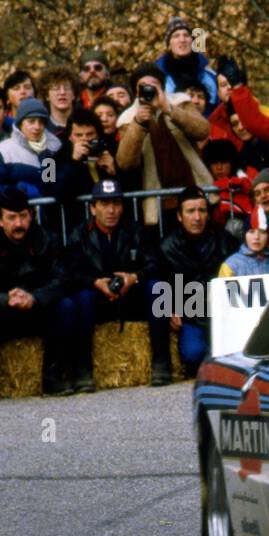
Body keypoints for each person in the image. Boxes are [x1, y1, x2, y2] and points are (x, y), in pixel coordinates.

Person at [55, 179, 162, 384]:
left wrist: (134, 277)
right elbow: (67, 272)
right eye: (104, 204)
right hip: (96, 298)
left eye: (115, 204)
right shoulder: (79, 235)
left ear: (122, 207)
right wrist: (94, 282)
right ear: (93, 208)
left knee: (157, 288)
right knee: (82, 299)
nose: (111, 210)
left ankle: (162, 365)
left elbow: (155, 263)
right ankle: (82, 371)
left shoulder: (135, 231)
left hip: (130, 295)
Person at [152, 185, 239, 372]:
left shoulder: (225, 240)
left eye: (202, 210)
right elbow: (160, 281)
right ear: (179, 216)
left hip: (222, 314)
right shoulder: (167, 247)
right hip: (192, 316)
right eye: (190, 211)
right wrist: (169, 308)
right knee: (192, 355)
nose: (197, 217)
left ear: (208, 214)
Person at [114, 63, 212, 228]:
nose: (148, 89)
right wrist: (137, 124)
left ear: (162, 86)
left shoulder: (181, 102)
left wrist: (169, 109)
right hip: (160, 200)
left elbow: (202, 130)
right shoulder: (128, 118)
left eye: (153, 85)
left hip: (196, 192)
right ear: (136, 91)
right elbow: (125, 162)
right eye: (143, 86)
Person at [0, 189, 76, 392]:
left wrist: (34, 298)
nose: (19, 224)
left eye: (23, 216)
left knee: (66, 306)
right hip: (5, 311)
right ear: (0, 220)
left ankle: (54, 377)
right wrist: (6, 298)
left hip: (37, 309)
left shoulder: (47, 239)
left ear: (31, 215)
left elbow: (63, 279)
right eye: (11, 218)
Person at [53, 108, 118, 232]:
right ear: (70, 137)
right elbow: (52, 192)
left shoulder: (111, 151)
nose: (85, 140)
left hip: (110, 226)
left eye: (89, 134)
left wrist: (114, 171)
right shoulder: (51, 159)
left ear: (98, 134)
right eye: (78, 135)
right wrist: (73, 162)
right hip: (74, 228)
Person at [0, 99, 61, 199]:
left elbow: (51, 185)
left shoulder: (53, 147)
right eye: (31, 121)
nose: (37, 127)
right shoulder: (4, 150)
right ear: (20, 123)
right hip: (18, 212)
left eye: (41, 122)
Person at [155, 18, 218, 114]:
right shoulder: (157, 77)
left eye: (186, 35)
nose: (182, 40)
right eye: (176, 36)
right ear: (169, 44)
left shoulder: (209, 76)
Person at [218, 207, 269, 277]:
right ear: (244, 235)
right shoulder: (231, 266)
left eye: (262, 232)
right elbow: (225, 288)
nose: (256, 237)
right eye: (251, 232)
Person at [41, 68, 78, 140]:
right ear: (47, 96)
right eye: (56, 88)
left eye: (67, 88)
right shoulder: (41, 128)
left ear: (74, 94)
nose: (62, 92)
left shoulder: (85, 125)